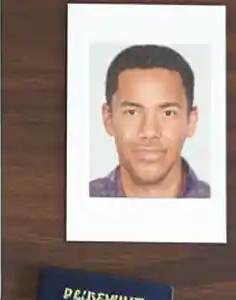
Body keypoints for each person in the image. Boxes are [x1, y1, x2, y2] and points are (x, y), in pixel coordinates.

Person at [90, 44, 210, 199]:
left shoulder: (219, 203)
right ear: (108, 119)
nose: (149, 132)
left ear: (191, 121)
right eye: (132, 112)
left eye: (168, 113)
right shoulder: (80, 200)